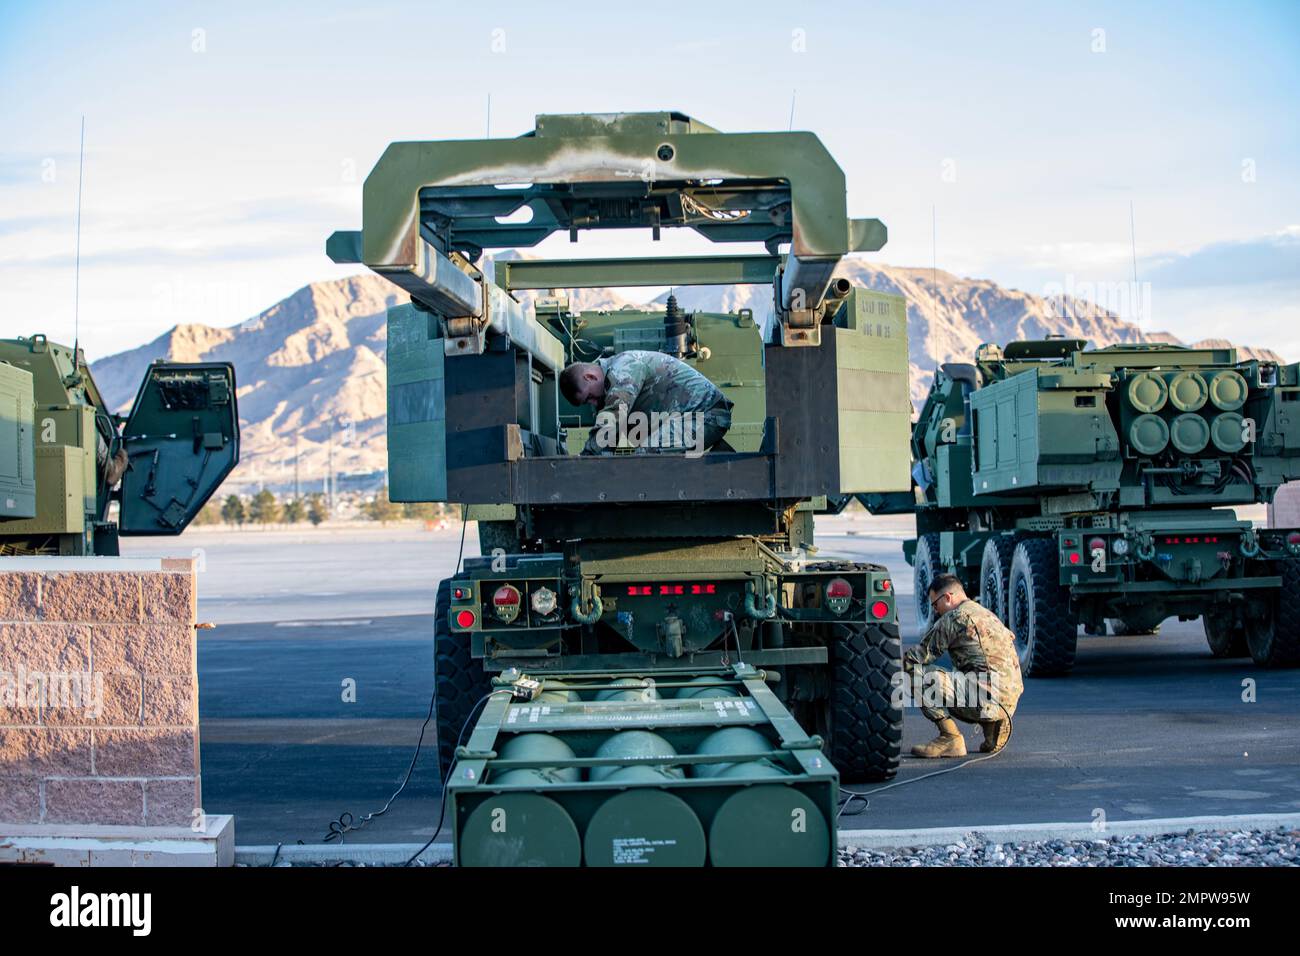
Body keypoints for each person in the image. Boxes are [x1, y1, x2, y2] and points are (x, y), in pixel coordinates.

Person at [903, 573, 1024, 758]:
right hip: (1010, 699)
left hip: (985, 699)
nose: (935, 610)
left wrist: (887, 666)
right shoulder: (988, 615)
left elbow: (916, 658)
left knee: (918, 675)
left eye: (935, 604)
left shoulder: (954, 618)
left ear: (948, 597)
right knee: (970, 671)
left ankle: (950, 738)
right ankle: (993, 726)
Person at [559, 350, 733, 456]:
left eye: (590, 396)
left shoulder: (623, 368)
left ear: (590, 377)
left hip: (706, 416)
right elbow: (615, 437)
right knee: (631, 455)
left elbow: (614, 415)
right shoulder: (609, 383)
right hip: (688, 419)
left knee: (643, 458)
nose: (593, 402)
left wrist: (584, 461)